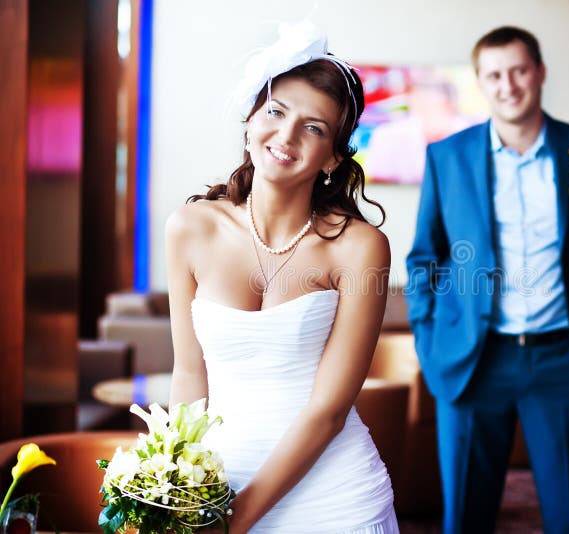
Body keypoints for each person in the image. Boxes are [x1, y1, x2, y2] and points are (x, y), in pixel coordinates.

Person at [405, 26, 569, 533]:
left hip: (564, 362)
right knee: (465, 519)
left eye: (518, 71)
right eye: (494, 75)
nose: (508, 85)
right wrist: (430, 342)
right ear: (480, 82)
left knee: (568, 518)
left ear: (540, 73)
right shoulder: (447, 157)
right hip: (473, 362)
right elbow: (425, 258)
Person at [165, 20, 397, 534]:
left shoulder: (360, 247)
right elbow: (189, 374)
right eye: (275, 111)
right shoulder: (189, 229)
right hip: (220, 485)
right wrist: (176, 492)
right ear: (250, 121)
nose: (286, 136)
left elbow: (329, 410)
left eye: (314, 127)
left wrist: (235, 521)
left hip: (336, 500)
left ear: (334, 157)